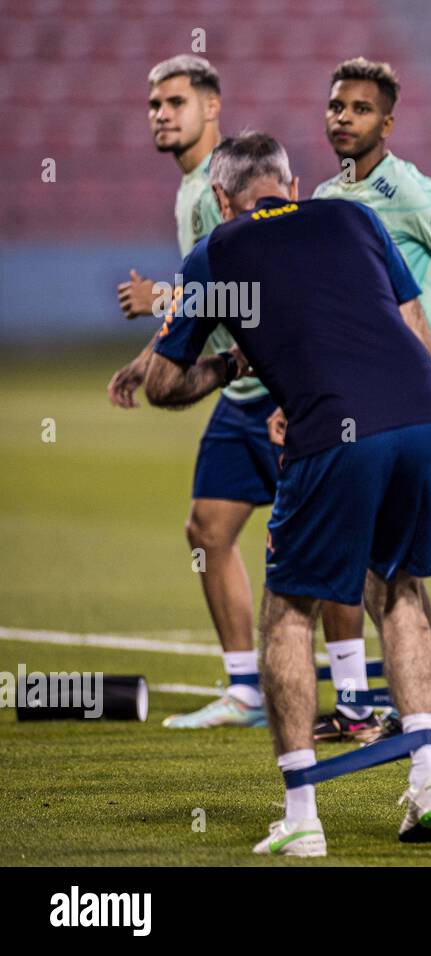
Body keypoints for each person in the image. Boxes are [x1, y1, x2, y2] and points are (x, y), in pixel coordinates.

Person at [144, 132, 431, 855]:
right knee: (401, 588)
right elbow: (412, 326)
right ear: (292, 183)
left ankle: (302, 816)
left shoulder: (218, 250)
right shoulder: (353, 217)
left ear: (222, 198)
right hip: (421, 412)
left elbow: (162, 382)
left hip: (333, 427)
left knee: (289, 611)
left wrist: (231, 364)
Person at [307, 56, 431, 743]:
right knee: (357, 563)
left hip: (401, 403)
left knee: (394, 570)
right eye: (336, 106)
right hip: (342, 404)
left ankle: (422, 709)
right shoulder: (327, 200)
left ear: (387, 124)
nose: (344, 118)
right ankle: (369, 706)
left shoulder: (410, 190)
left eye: (360, 109)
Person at [106, 55, 275, 729]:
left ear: (213, 108)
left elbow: (249, 289)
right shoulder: (193, 191)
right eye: (154, 105)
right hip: (242, 390)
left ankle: (370, 687)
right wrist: (152, 355)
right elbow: (206, 304)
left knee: (335, 542)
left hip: (278, 389)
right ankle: (245, 690)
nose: (162, 114)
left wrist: (157, 301)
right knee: (208, 528)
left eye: (176, 102)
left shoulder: (218, 190)